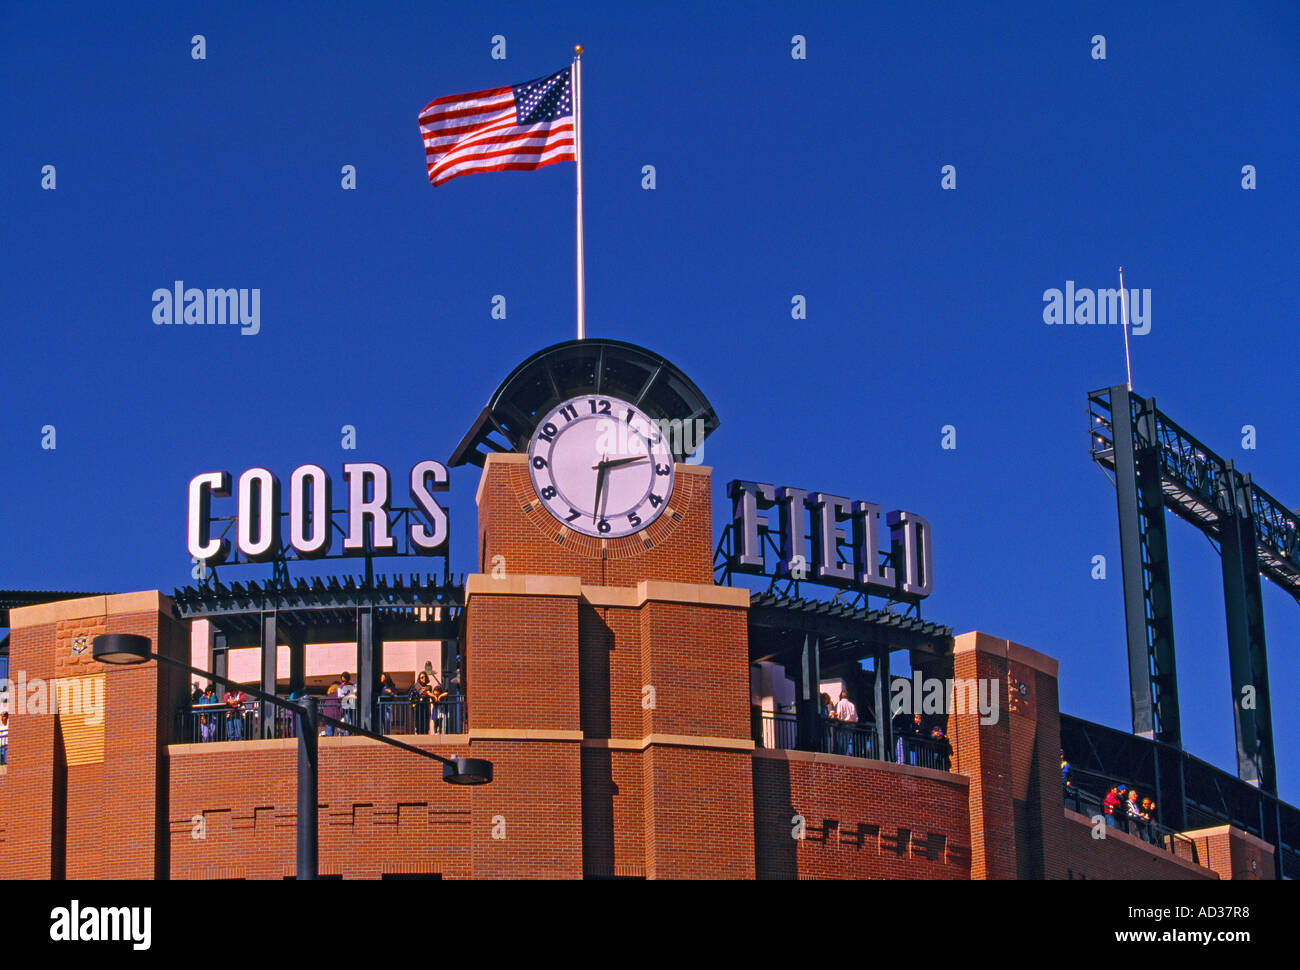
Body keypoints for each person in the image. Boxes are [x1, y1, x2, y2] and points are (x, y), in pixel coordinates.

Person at [834, 690, 858, 755]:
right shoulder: (851, 705)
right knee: (848, 743)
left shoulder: (840, 704)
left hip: (842, 725)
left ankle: (842, 758)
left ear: (841, 696)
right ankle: (848, 755)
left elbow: (838, 715)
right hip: (849, 725)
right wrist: (852, 724)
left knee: (840, 744)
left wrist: (836, 722)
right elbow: (856, 718)